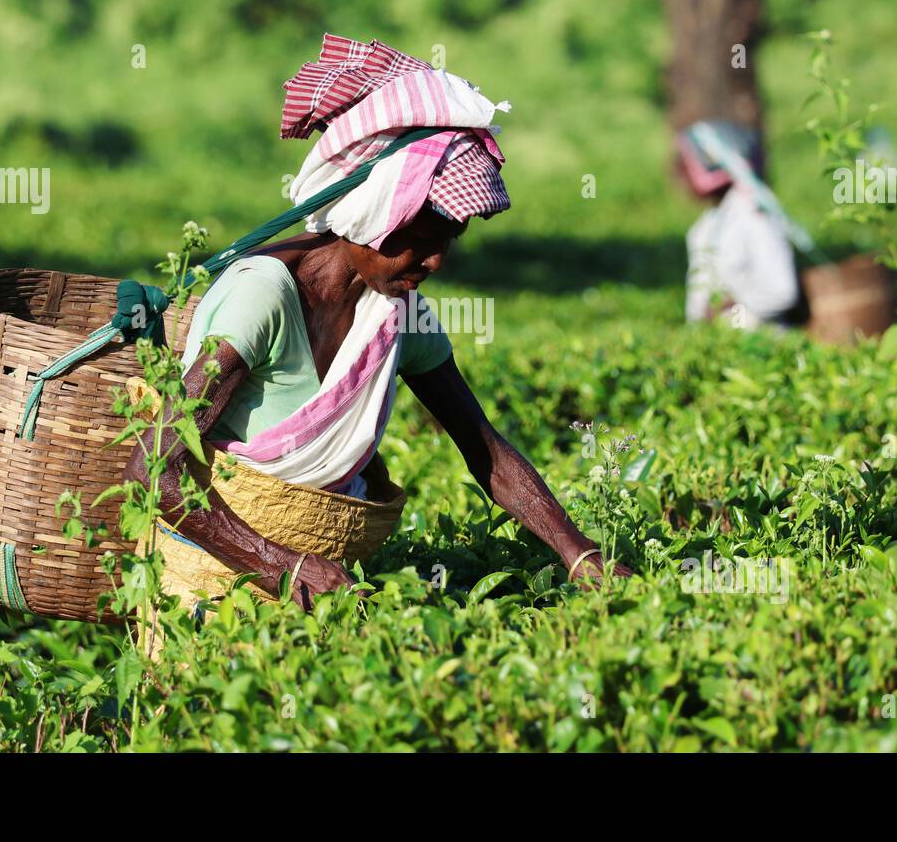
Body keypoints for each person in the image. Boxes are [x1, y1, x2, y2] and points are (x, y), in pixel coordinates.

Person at [123, 34, 632, 631]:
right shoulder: (263, 296)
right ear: (373, 211)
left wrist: (581, 556)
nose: (436, 261)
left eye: (449, 239)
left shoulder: (393, 311)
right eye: (424, 232)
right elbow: (154, 470)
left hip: (326, 586)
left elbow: (483, 447)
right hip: (209, 589)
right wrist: (282, 566)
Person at [675, 119, 805, 329]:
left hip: (762, 341)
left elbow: (782, 291)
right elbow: (697, 303)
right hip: (718, 343)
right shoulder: (703, 228)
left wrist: (733, 308)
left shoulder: (753, 214)